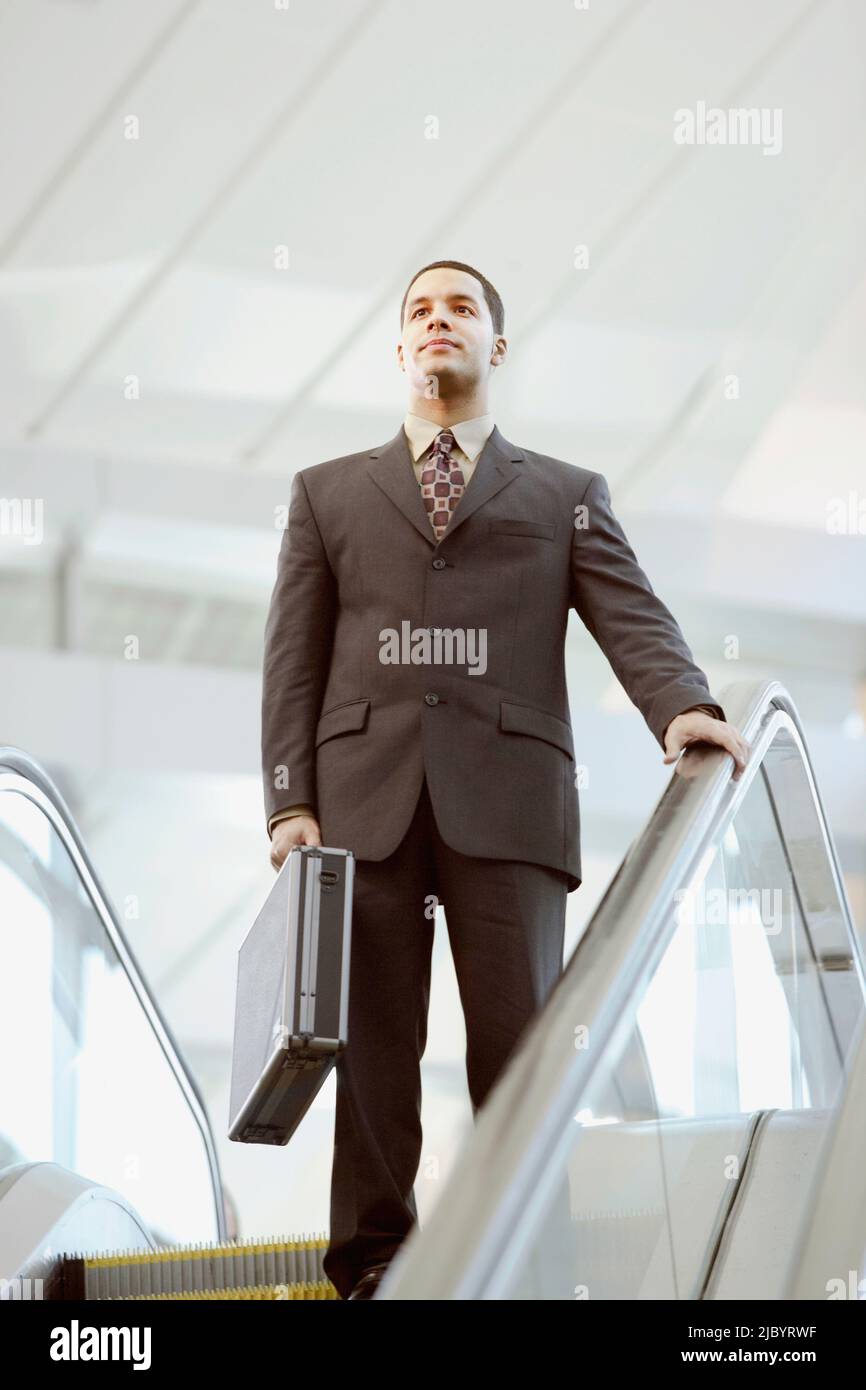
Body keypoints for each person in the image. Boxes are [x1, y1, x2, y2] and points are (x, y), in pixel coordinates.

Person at [260, 259, 750, 1300]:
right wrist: (289, 798)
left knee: (521, 1048)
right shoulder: (326, 494)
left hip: (511, 803)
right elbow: (292, 658)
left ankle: (525, 1254)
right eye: (420, 312)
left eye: (462, 310)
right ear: (400, 350)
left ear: (497, 345)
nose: (440, 322)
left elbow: (628, 610)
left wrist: (680, 705)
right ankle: (374, 1265)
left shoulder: (565, 495)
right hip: (362, 801)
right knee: (375, 1048)